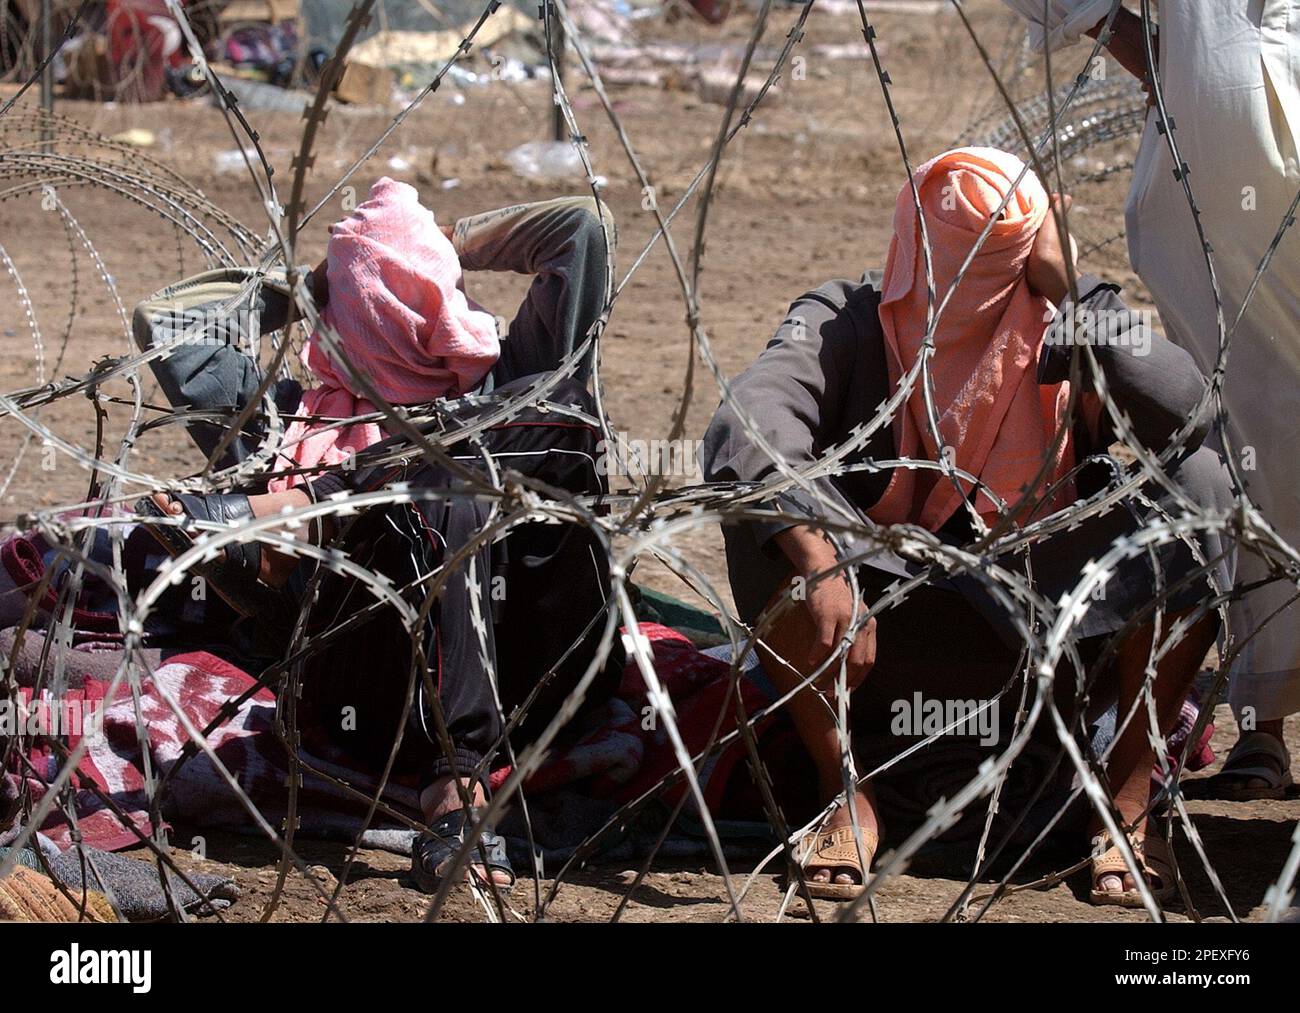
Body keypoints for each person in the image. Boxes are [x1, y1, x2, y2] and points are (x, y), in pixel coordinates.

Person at [702, 147, 1234, 905]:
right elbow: (746, 421)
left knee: (1204, 485)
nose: (970, 295)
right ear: (915, 244)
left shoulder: (1072, 320)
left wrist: (1071, 289)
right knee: (765, 526)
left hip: (1044, 593)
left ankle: (1127, 802)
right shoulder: (846, 318)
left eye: (1002, 265)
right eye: (952, 262)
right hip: (884, 594)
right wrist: (822, 557)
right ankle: (844, 789)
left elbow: (1191, 412)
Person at [131, 180, 622, 892]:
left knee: (540, 416)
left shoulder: (502, 379)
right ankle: (455, 792)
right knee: (451, 476)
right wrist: (328, 279)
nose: (415, 301)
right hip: (373, 701)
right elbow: (170, 321)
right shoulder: (293, 427)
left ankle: (304, 513)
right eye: (401, 289)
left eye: (414, 282)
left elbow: (584, 227)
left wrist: (439, 239)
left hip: (545, 675)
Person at [1001, 0, 1300, 800]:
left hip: (1231, 151)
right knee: (1247, 438)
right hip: (1222, 170)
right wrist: (1150, 49)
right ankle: (1261, 719)